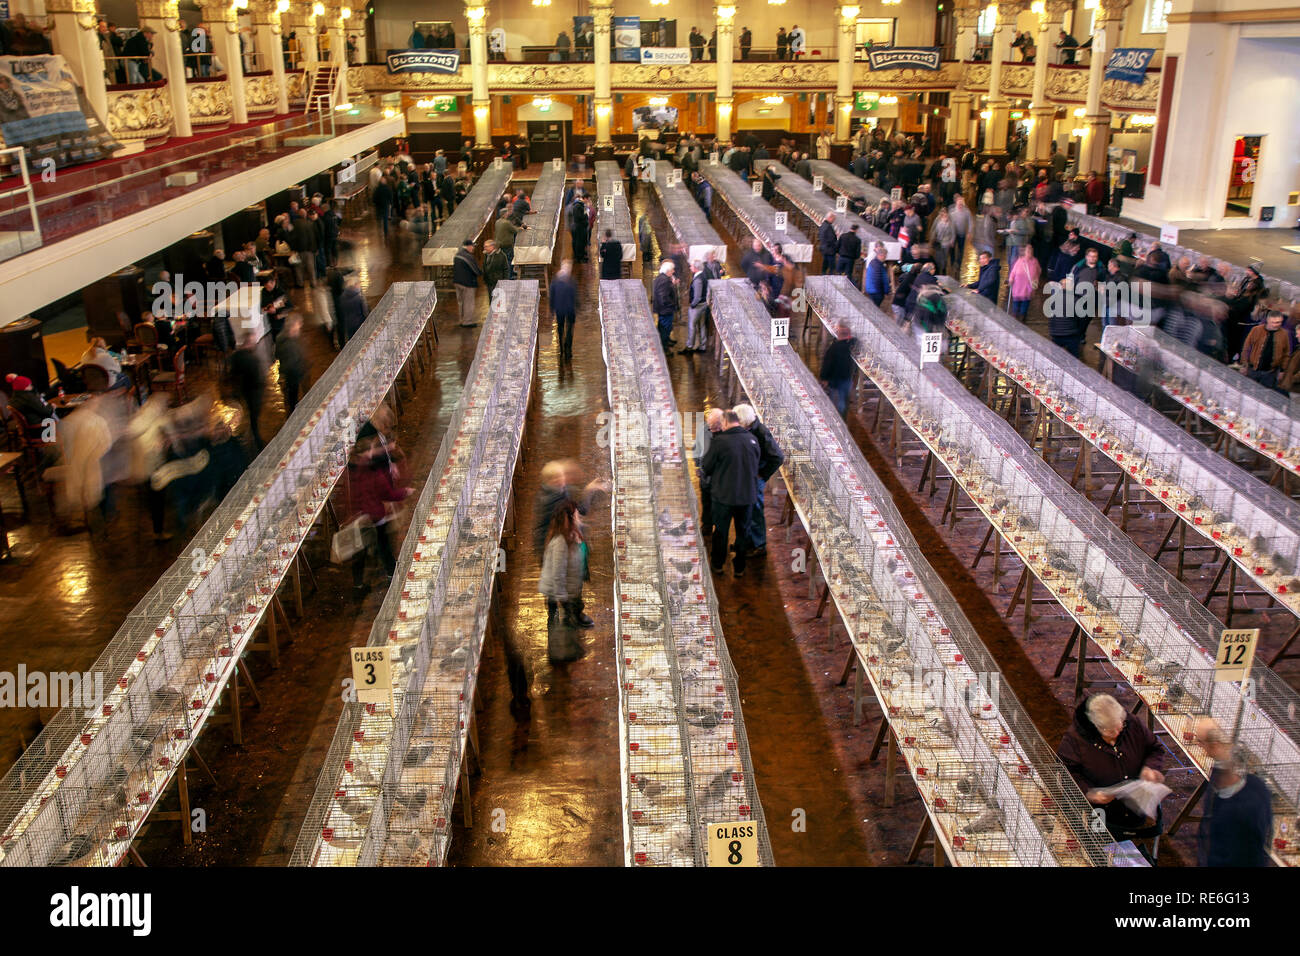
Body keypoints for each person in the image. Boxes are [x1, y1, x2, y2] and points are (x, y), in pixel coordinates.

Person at [1058, 693, 1166, 847]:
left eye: (1119, 727)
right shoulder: (1075, 740)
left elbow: (1155, 748)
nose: (1116, 734)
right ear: (1096, 727)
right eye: (1109, 731)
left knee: (1124, 847)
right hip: (1098, 813)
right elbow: (1066, 771)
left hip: (1134, 806)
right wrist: (1088, 792)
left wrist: (1151, 767)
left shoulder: (1132, 724)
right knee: (1098, 847)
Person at [1194, 719, 1273, 867]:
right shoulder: (1222, 778)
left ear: (1214, 746)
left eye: (1200, 741)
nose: (1198, 745)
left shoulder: (1243, 804)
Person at [699, 409, 760, 577]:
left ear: (725, 423)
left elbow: (707, 467)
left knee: (721, 531)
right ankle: (739, 568)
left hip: (723, 497)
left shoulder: (720, 443)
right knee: (743, 532)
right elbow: (756, 465)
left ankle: (718, 565)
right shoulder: (753, 440)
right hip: (747, 497)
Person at [539, 499, 593, 649]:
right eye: (577, 515)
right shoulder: (560, 543)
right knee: (557, 620)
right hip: (558, 592)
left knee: (567, 620)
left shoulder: (573, 534)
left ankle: (567, 644)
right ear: (570, 518)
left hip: (569, 588)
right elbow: (558, 573)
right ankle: (559, 650)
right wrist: (562, 598)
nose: (579, 518)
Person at [734, 403, 782, 557]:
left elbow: (778, 457)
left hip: (755, 478)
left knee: (755, 511)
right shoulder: (750, 429)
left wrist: (763, 474)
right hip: (748, 476)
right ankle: (747, 542)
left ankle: (759, 545)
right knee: (746, 510)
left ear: (745, 421)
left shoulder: (761, 433)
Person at [228, 332, 266, 450]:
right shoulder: (253, 359)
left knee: (248, 413)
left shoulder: (235, 356)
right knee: (254, 416)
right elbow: (258, 378)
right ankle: (256, 438)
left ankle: (248, 434)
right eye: (253, 342)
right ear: (249, 343)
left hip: (242, 391)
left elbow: (232, 374)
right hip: (253, 392)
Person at [1241, 310, 1290, 392]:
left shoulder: (1284, 334)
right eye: (1273, 322)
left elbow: (1286, 353)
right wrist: (1244, 365)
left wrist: (1283, 370)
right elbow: (1246, 348)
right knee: (1248, 391)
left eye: (1279, 322)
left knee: (1265, 395)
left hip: (1270, 373)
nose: (1277, 325)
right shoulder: (1256, 330)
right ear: (1268, 321)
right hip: (1253, 370)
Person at [820, 322, 857, 417]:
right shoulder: (851, 346)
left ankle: (837, 420)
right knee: (844, 401)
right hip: (847, 380)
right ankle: (843, 419)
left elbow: (827, 365)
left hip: (835, 381)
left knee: (837, 403)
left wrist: (824, 378)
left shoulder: (833, 348)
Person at [275, 313, 308, 413]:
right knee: (292, 397)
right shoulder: (288, 344)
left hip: (293, 373)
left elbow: (276, 354)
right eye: (299, 324)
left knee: (292, 396)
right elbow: (291, 363)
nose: (300, 326)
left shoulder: (281, 337)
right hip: (293, 375)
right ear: (293, 326)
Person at [550, 260, 577, 360]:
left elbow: (552, 296)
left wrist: (552, 308)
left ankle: (563, 348)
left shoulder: (556, 281)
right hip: (568, 309)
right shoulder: (571, 281)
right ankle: (566, 348)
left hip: (561, 309)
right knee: (568, 329)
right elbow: (575, 295)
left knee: (562, 329)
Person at [452, 239, 481, 328]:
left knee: (461, 302)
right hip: (467, 283)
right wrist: (481, 272)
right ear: (468, 246)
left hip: (457, 282)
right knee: (468, 303)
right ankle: (467, 322)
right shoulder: (468, 257)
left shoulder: (457, 255)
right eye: (472, 246)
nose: (473, 248)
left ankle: (462, 320)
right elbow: (476, 270)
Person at [1008, 245, 1040, 321]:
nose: (1029, 252)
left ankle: (1022, 318)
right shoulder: (1019, 261)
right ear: (1024, 252)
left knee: (1025, 304)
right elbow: (1013, 272)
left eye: (1031, 251)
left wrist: (1036, 282)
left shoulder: (1035, 261)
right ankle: (1015, 317)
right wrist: (1011, 279)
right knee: (1016, 304)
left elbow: (1038, 272)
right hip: (1018, 287)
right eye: (1028, 251)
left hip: (1028, 287)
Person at [652, 260, 678, 351]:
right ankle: (664, 347)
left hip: (662, 309)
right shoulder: (665, 280)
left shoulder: (662, 278)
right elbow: (663, 297)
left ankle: (667, 340)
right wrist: (672, 304)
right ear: (667, 271)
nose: (673, 271)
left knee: (664, 326)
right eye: (672, 270)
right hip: (665, 309)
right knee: (665, 328)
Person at [684, 259, 709, 353]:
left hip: (697, 306)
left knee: (692, 325)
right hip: (704, 304)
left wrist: (692, 305)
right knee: (702, 325)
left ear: (696, 268)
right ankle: (703, 346)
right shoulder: (703, 275)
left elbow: (697, 297)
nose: (690, 267)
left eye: (691, 266)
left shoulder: (698, 279)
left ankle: (689, 346)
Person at [862, 243, 889, 307]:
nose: (885, 258)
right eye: (885, 256)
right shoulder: (877, 265)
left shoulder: (875, 263)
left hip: (873, 290)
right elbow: (878, 279)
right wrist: (883, 292)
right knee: (875, 309)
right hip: (876, 291)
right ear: (881, 255)